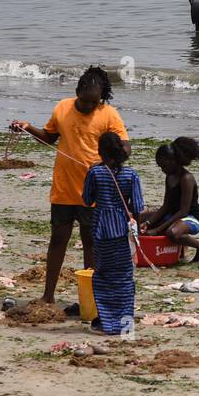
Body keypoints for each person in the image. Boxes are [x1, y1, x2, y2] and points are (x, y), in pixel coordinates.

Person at [10, 66, 129, 307]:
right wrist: (28, 126)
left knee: (91, 244)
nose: (88, 107)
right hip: (64, 188)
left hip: (93, 192)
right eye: (84, 102)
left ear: (101, 99)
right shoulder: (62, 108)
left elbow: (126, 149)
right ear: (77, 92)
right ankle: (48, 296)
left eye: (93, 103)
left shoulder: (109, 115)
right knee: (57, 240)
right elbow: (49, 137)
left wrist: (112, 161)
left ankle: (91, 299)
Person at [81, 131, 144, 334]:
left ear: (100, 151)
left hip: (101, 230)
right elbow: (137, 205)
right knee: (124, 278)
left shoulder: (95, 172)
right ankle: (125, 325)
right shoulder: (131, 175)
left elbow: (86, 199)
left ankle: (106, 323)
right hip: (123, 231)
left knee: (103, 276)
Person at [139, 136, 199, 264]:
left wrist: (157, 230)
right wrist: (148, 223)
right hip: (174, 215)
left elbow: (183, 211)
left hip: (191, 217)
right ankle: (179, 249)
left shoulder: (186, 178)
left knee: (172, 232)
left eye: (164, 166)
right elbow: (165, 206)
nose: (162, 169)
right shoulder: (169, 177)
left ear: (174, 161)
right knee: (140, 218)